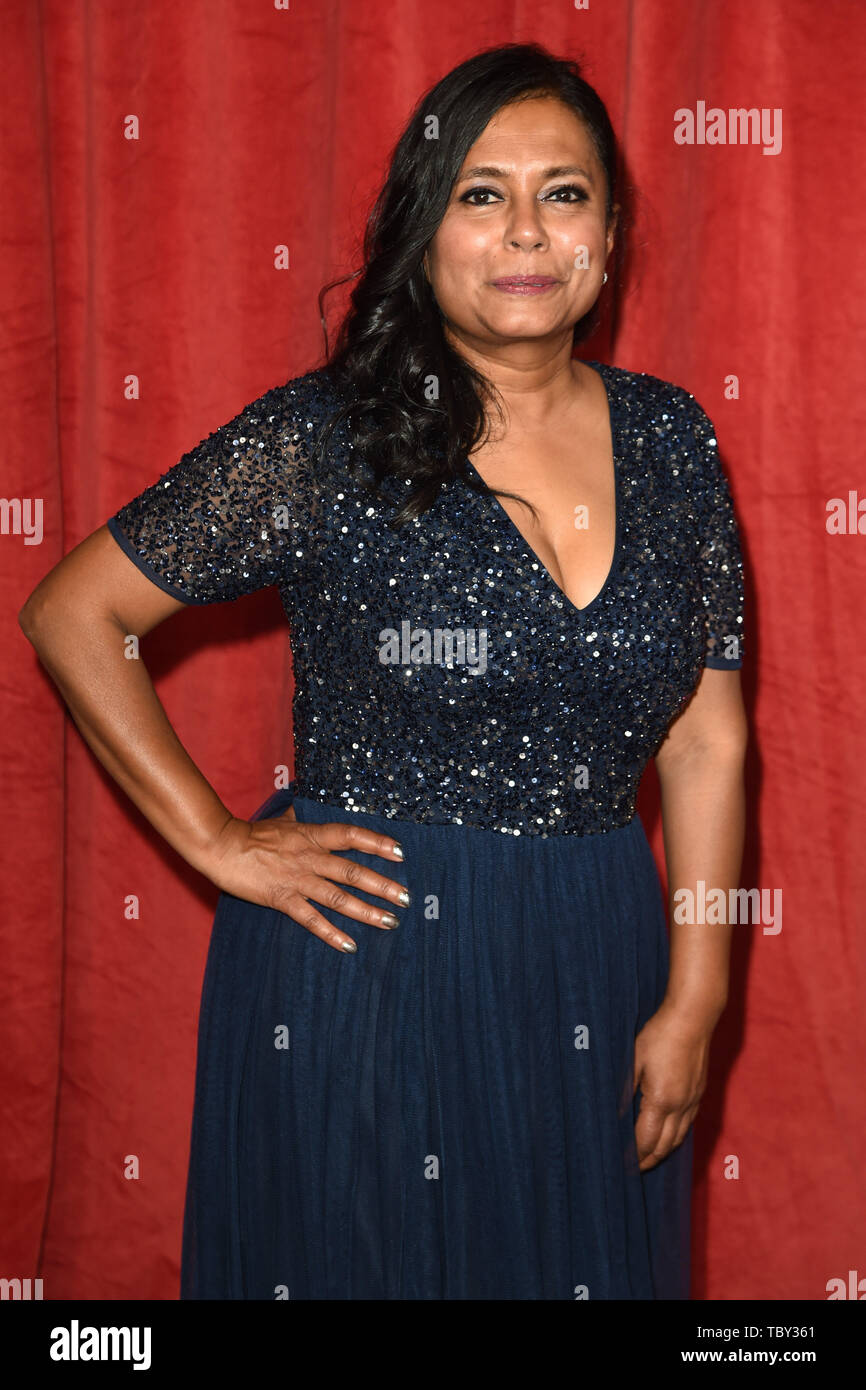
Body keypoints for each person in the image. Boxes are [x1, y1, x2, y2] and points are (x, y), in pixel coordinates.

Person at [18, 42, 747, 1300]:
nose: (524, 229)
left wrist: (697, 996)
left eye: (561, 193)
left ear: (609, 235)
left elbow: (703, 740)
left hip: (594, 954)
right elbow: (73, 610)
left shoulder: (673, 436)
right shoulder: (329, 437)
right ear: (424, 232)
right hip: (370, 971)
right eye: (479, 193)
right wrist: (213, 837)